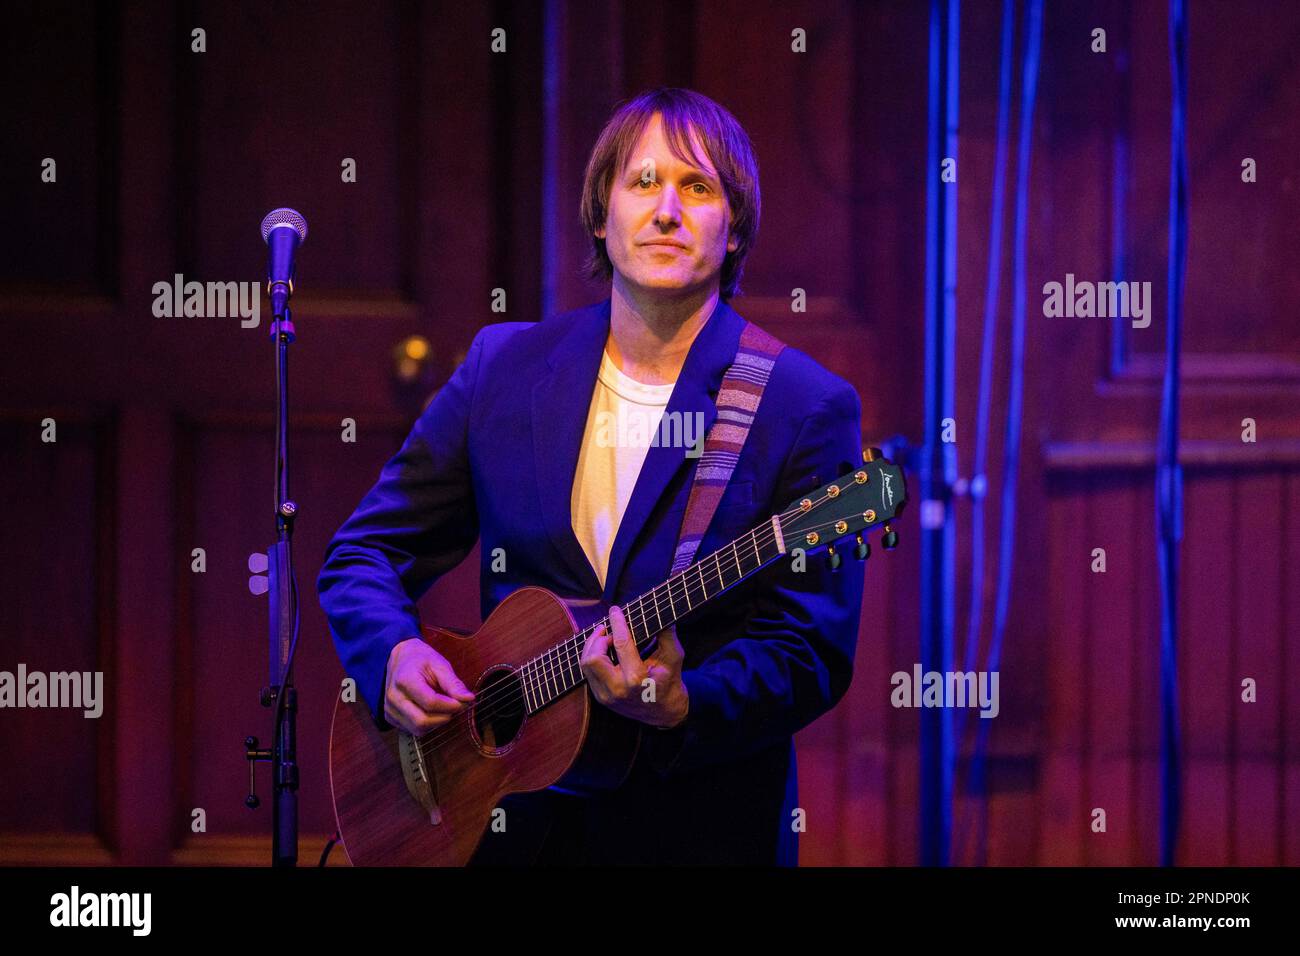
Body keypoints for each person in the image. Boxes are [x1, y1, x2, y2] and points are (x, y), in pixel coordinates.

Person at [317, 87, 867, 865]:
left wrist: (684, 702)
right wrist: (392, 656)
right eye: (643, 182)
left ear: (735, 225)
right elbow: (362, 553)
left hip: (699, 832)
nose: (667, 209)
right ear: (599, 213)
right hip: (505, 827)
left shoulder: (800, 405)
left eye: (698, 187)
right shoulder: (501, 370)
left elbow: (809, 652)